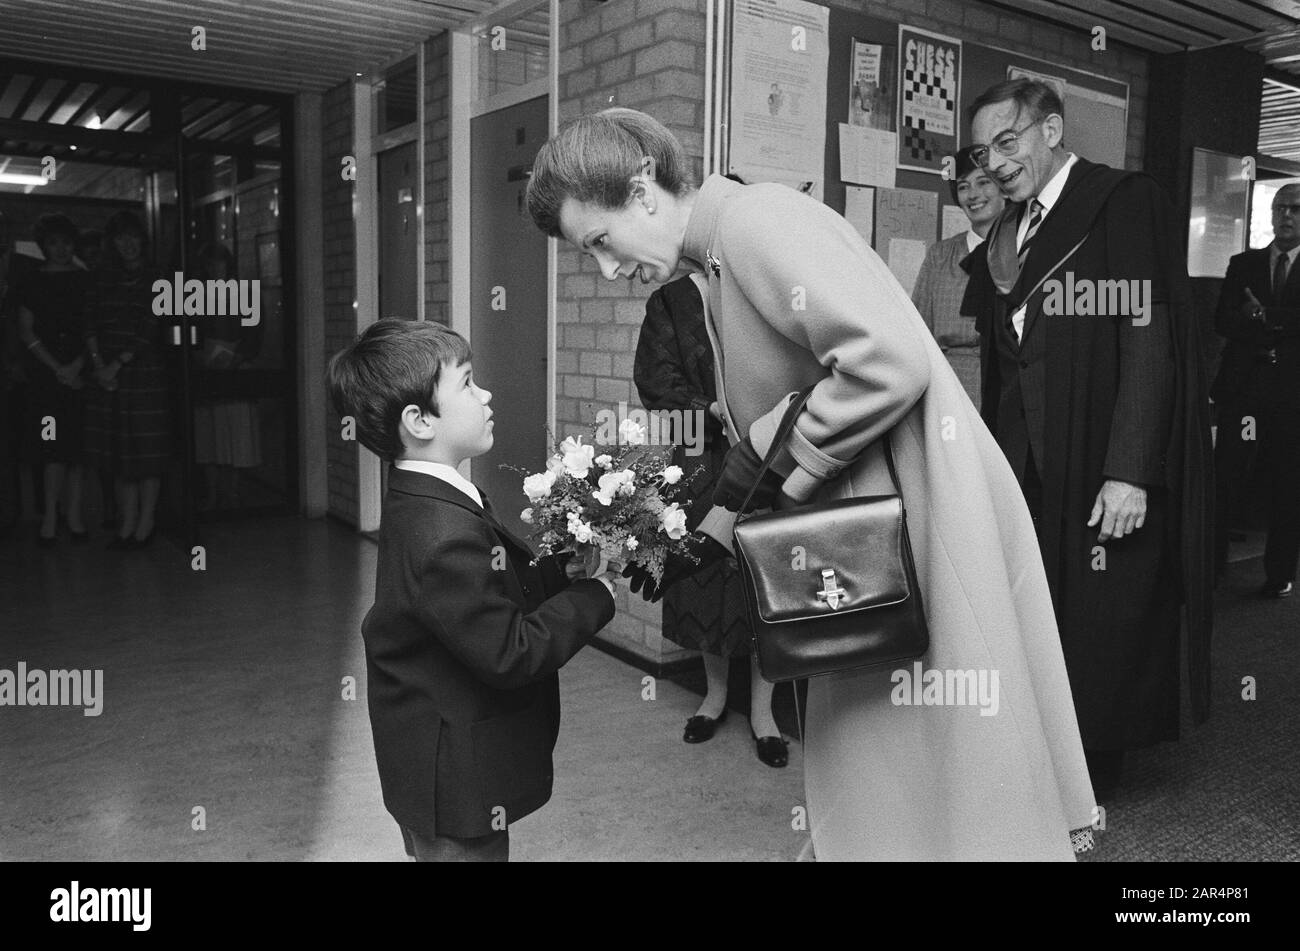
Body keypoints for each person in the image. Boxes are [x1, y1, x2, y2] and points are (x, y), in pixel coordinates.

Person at [527, 107, 1096, 860]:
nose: (605, 269)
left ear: (642, 191)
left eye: (599, 241)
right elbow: (785, 424)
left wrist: (757, 456)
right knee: (895, 747)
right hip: (866, 527)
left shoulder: (756, 223)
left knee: (922, 742)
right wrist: (715, 530)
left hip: (913, 516)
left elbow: (889, 361)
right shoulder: (716, 257)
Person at [964, 79, 1213, 796]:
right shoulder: (1008, 235)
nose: (998, 163)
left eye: (1008, 142)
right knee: (1035, 607)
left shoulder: (1120, 202)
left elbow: (1147, 336)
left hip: (1096, 449)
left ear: (1051, 128)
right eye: (985, 152)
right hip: (1027, 457)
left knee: (1101, 612)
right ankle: (1038, 752)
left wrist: (1131, 468)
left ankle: (1089, 775)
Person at [326, 319, 622, 862]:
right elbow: (511, 652)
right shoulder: (441, 534)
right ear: (418, 421)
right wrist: (598, 594)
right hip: (453, 784)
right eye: (465, 383)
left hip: (435, 759)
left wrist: (562, 571)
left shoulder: (430, 495)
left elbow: (486, 589)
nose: (485, 394)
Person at [634, 272, 787, 767]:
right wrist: (709, 407)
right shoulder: (671, 300)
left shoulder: (766, 287)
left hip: (770, 453)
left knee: (766, 582)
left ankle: (765, 714)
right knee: (704, 581)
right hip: (699, 455)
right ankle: (715, 698)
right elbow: (655, 382)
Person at [1212, 183, 1300, 598]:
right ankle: (1208, 569)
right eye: (1281, 207)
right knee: (1226, 478)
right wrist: (1252, 317)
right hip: (1244, 394)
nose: (1287, 215)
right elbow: (1222, 320)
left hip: (1291, 400)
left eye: (1296, 209)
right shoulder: (1243, 263)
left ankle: (1279, 573)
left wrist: (1268, 315)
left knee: (1287, 486)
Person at [83, 211, 170, 550]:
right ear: (113, 243)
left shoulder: (158, 277)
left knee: (147, 452)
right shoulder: (100, 277)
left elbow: (150, 326)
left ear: (143, 240)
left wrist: (115, 365)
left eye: (133, 236)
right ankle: (126, 522)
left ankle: (145, 522)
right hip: (107, 374)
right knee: (120, 455)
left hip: (144, 374)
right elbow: (88, 322)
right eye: (121, 238)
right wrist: (98, 363)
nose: (128, 243)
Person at [14, 214, 92, 545]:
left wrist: (77, 364)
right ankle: (49, 516)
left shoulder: (86, 280)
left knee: (76, 450)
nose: (60, 249)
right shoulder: (31, 280)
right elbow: (25, 329)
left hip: (79, 375)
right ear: (44, 245)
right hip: (45, 380)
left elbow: (94, 328)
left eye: (66, 242)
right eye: (54, 242)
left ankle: (73, 517)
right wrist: (55, 367)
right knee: (51, 447)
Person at [911, 146, 1005, 407]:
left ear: (1003, 188)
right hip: (949, 392)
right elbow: (919, 336)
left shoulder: (1025, 253)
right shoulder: (940, 256)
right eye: (963, 186)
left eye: (984, 182)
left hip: (1007, 390)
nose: (973, 194)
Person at [191, 242, 263, 511]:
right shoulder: (195, 296)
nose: (214, 268)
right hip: (207, 371)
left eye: (219, 262)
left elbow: (256, 335)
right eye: (209, 264)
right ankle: (212, 494)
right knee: (210, 437)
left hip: (235, 370)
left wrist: (236, 357)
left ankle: (232, 493)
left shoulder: (244, 294)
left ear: (228, 264)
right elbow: (190, 334)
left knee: (235, 436)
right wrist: (199, 355)